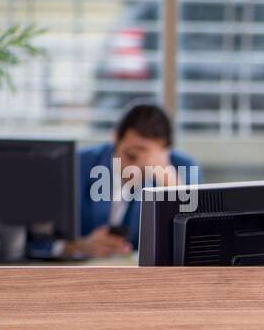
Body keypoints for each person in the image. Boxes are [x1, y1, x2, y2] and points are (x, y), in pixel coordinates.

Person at [49, 102, 197, 259]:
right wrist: (81, 246)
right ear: (114, 139)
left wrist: (170, 183)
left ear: (166, 152)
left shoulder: (182, 168)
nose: (138, 167)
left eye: (150, 161)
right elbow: (37, 242)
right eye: (131, 156)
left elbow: (195, 243)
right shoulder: (77, 165)